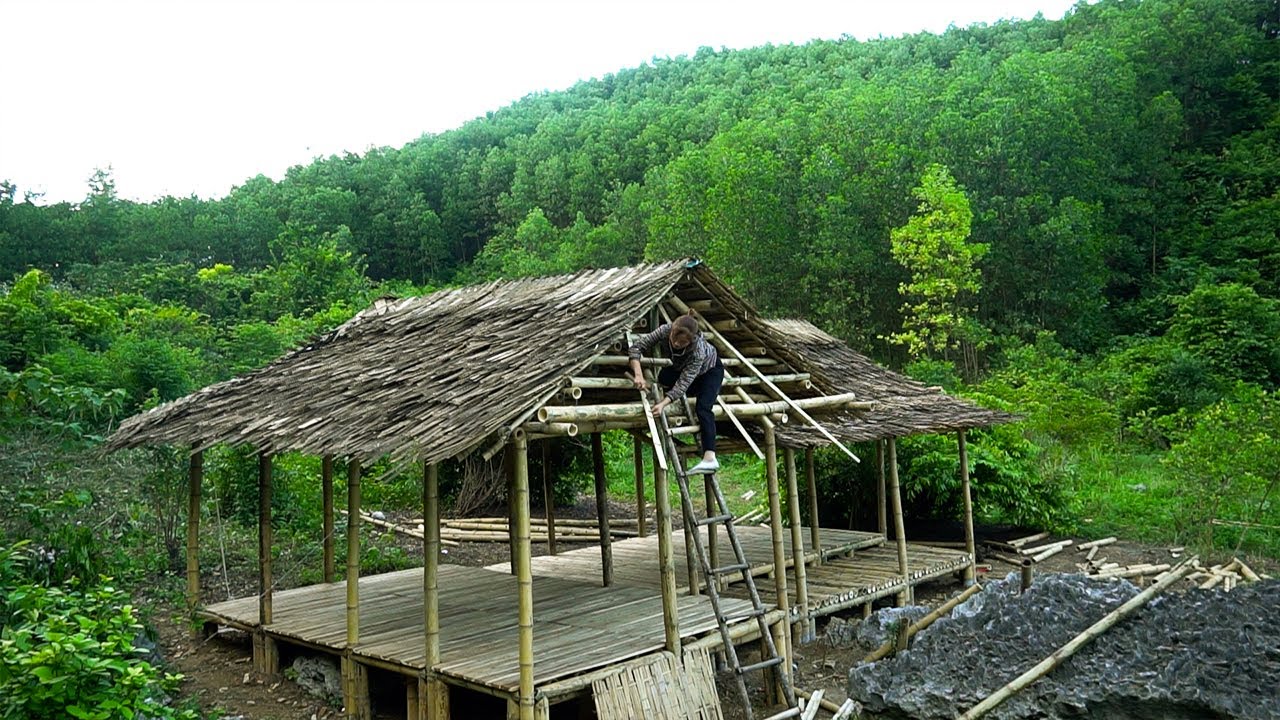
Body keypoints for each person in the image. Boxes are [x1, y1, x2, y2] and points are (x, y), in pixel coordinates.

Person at [629, 312, 724, 474]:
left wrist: (663, 403)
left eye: (682, 343)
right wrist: (638, 375)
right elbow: (636, 348)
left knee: (703, 407)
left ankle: (710, 457)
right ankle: (693, 391)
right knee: (663, 377)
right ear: (672, 329)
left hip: (710, 371)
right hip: (681, 369)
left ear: (691, 340)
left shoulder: (698, 351)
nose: (676, 343)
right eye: (674, 338)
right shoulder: (665, 330)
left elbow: (683, 383)